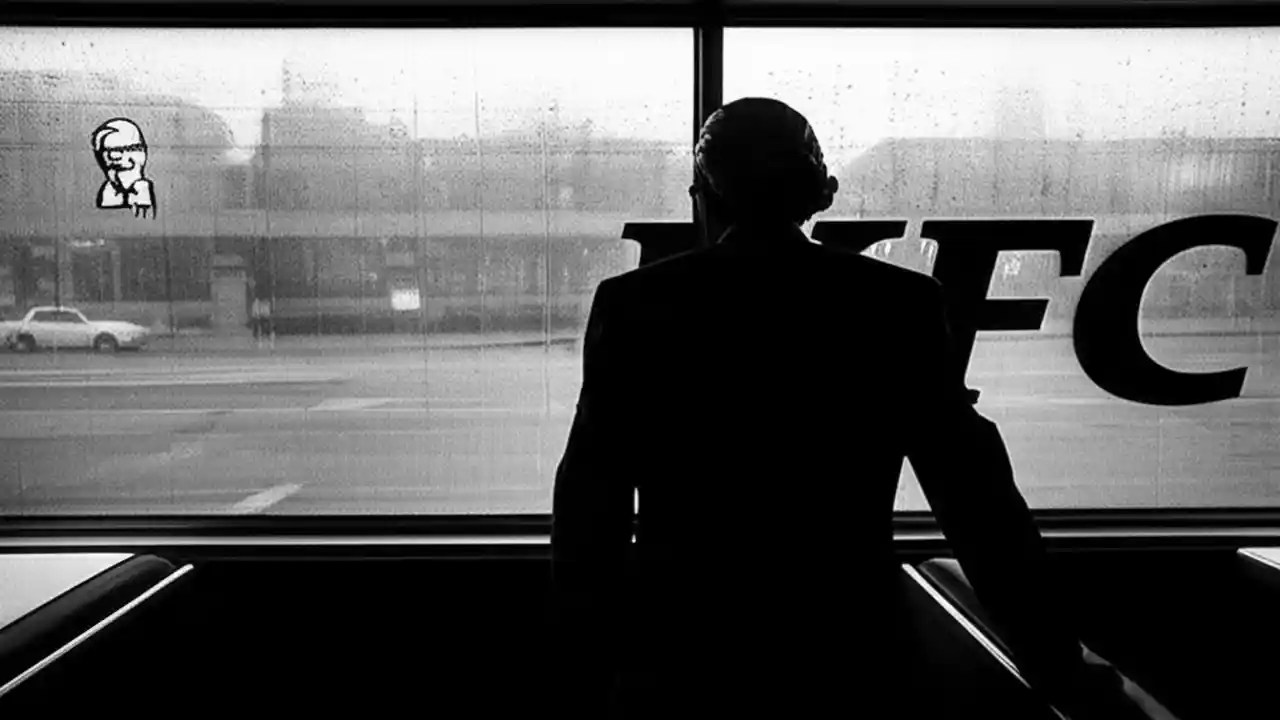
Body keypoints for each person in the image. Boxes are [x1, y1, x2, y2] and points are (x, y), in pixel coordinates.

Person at [551, 98, 1147, 719]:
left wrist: (579, 668)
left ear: (702, 193)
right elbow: (977, 501)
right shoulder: (898, 304)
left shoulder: (635, 304)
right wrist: (1057, 665)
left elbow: (592, 503)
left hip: (682, 643)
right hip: (847, 638)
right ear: (821, 194)